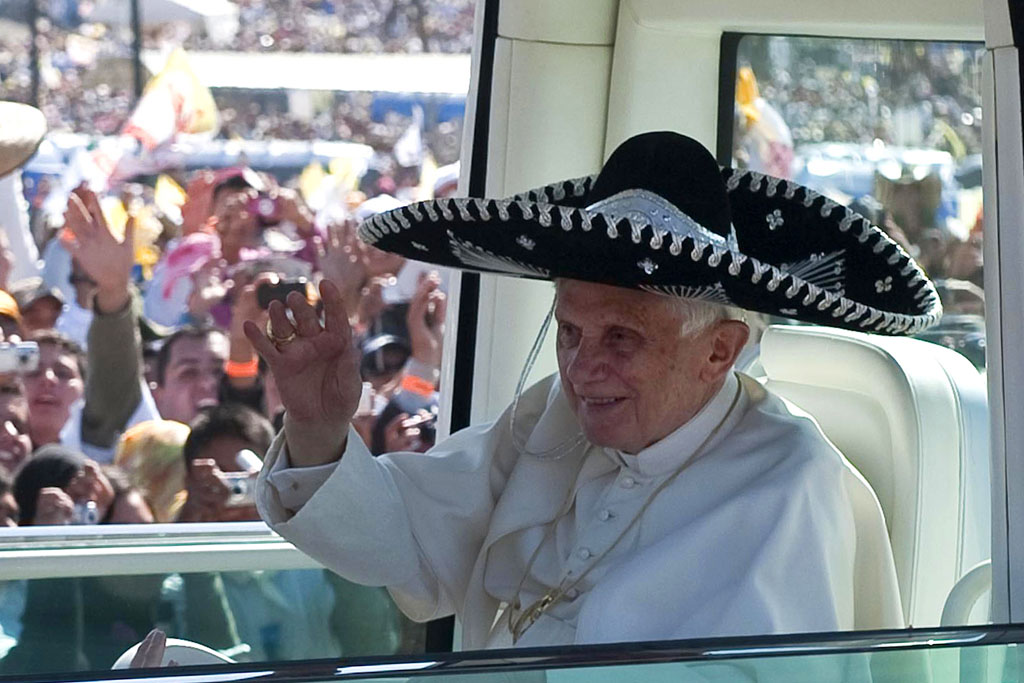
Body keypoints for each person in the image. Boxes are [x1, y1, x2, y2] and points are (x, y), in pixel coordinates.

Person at [252, 132, 942, 648]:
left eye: (622, 339)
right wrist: (319, 427)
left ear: (719, 350)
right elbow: (406, 540)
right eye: (571, 331)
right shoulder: (555, 419)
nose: (582, 369)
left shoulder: (792, 484)